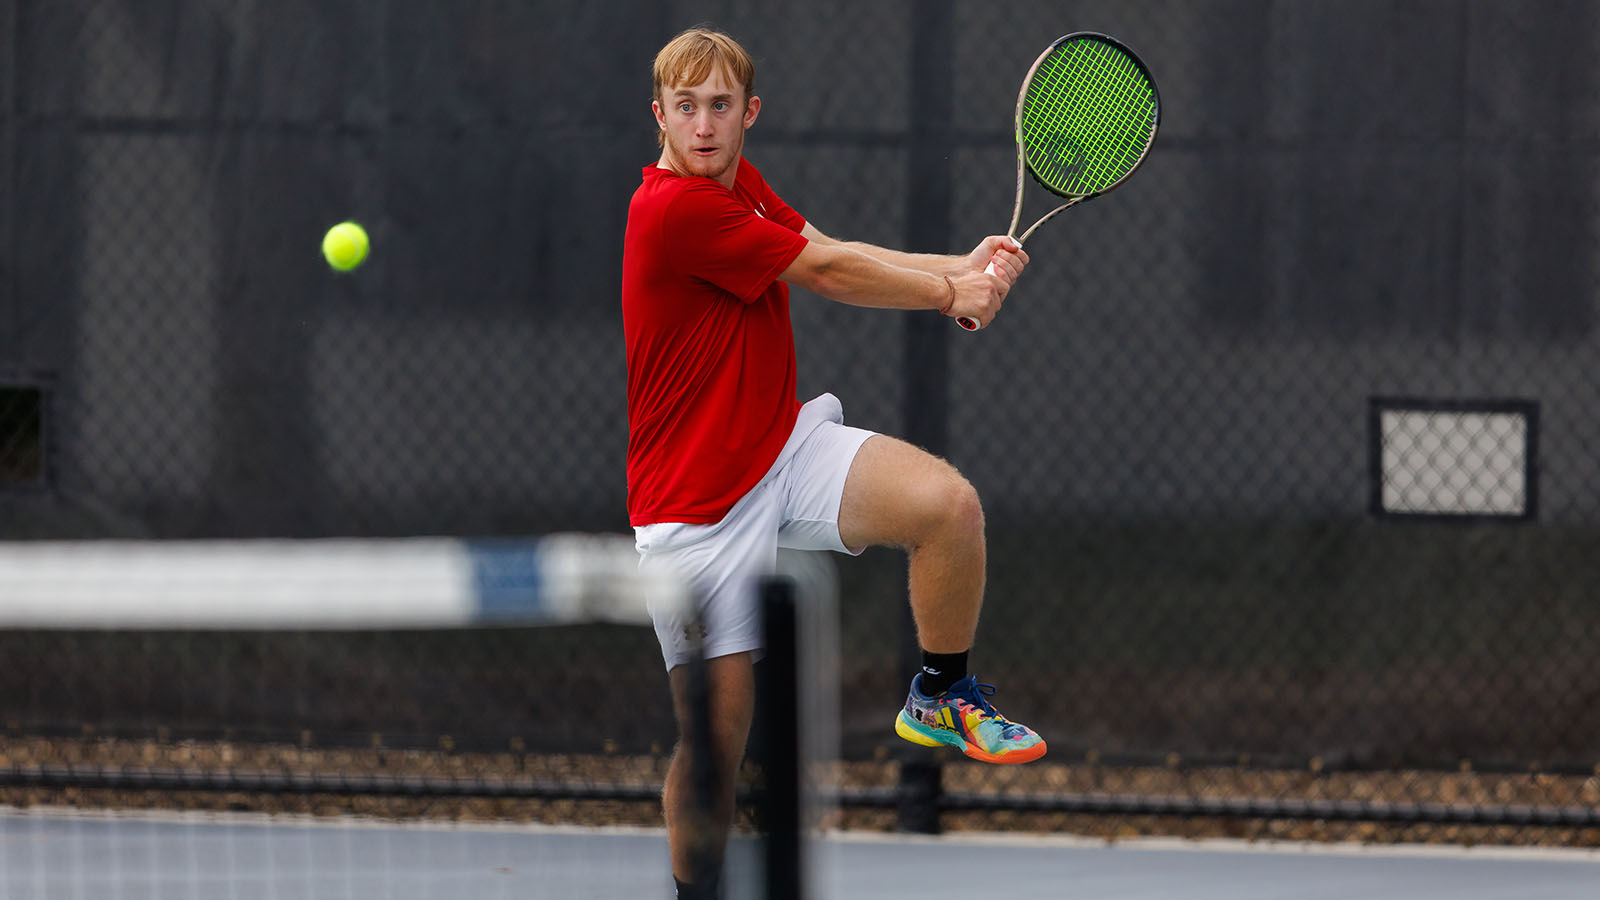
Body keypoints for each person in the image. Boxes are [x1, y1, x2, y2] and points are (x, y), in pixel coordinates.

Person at [622, 26, 1045, 899]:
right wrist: (947, 295)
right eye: (687, 107)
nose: (704, 125)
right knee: (717, 744)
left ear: (749, 115)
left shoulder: (738, 185)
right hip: (693, 507)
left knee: (946, 507)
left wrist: (956, 268)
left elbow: (829, 243)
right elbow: (827, 273)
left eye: (721, 107)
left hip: (780, 446)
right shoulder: (675, 208)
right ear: (659, 114)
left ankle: (941, 691)